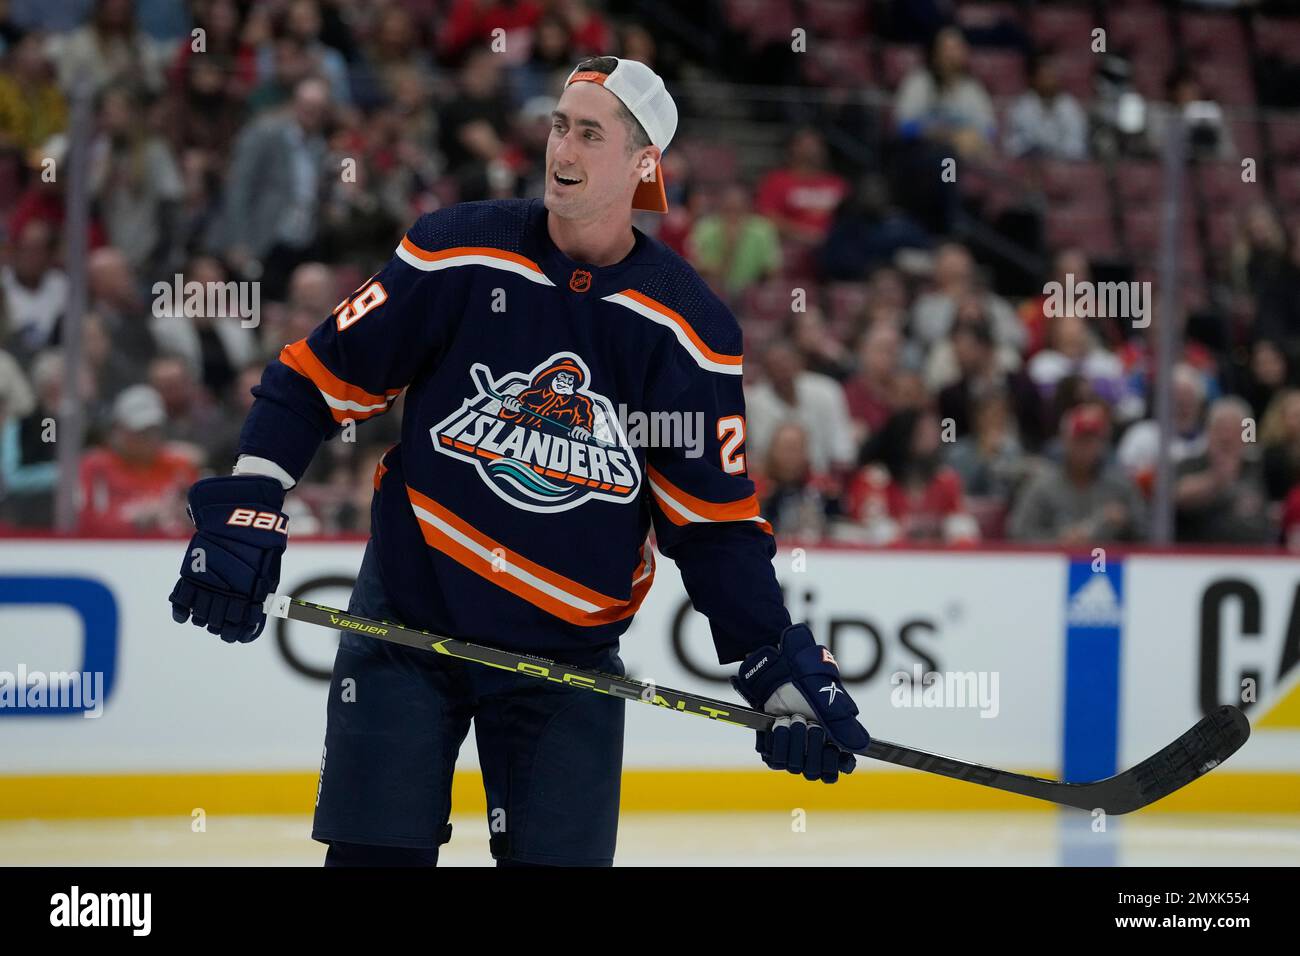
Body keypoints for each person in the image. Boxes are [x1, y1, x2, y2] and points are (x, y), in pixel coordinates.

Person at [168, 56, 869, 868]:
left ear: (643, 163)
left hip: (567, 662)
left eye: (590, 133)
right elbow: (314, 378)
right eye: (558, 125)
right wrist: (254, 493)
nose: (561, 150)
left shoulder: (687, 327)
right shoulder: (456, 250)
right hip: (406, 622)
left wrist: (769, 658)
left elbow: (711, 525)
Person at [1007, 403, 1146, 543]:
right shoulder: (1042, 487)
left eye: (1091, 441)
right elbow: (1018, 533)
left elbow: (1146, 534)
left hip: (1104, 556)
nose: (1085, 448)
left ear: (1102, 444)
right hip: (1055, 555)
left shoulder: (1120, 487)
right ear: (1065, 441)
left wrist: (1126, 523)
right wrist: (1058, 541)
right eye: (1079, 440)